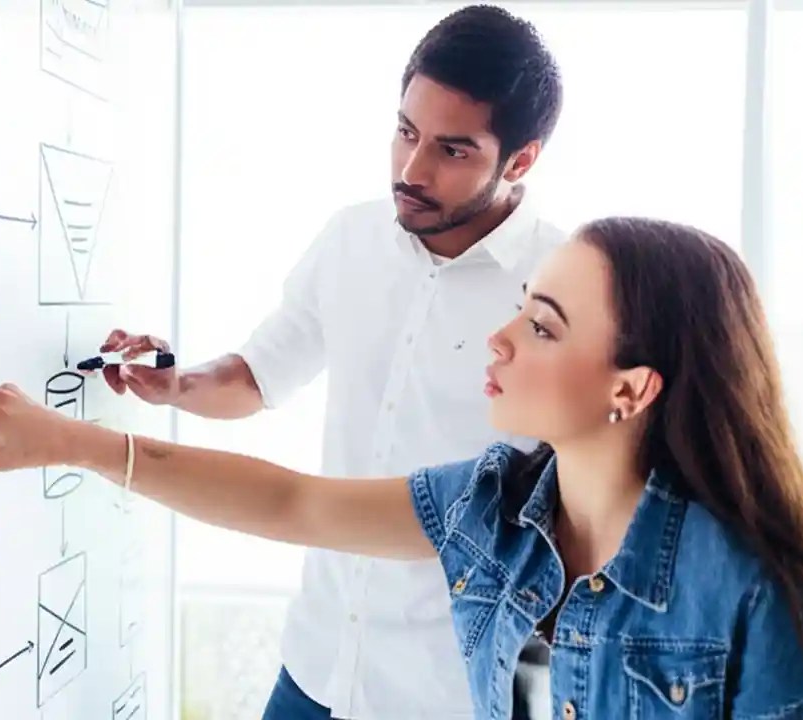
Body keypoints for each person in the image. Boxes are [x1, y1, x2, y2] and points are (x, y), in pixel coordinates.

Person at [0, 216, 803, 720]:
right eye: (520, 306)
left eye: (541, 326)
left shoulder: (759, 594)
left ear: (630, 389)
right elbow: (291, 502)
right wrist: (72, 442)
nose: (498, 338)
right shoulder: (492, 507)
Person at [85, 5, 566, 718]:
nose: (412, 169)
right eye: (405, 131)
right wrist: (177, 383)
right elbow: (257, 375)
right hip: (315, 665)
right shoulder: (351, 240)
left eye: (452, 150)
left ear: (519, 160)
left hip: (444, 692)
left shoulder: (560, 289)